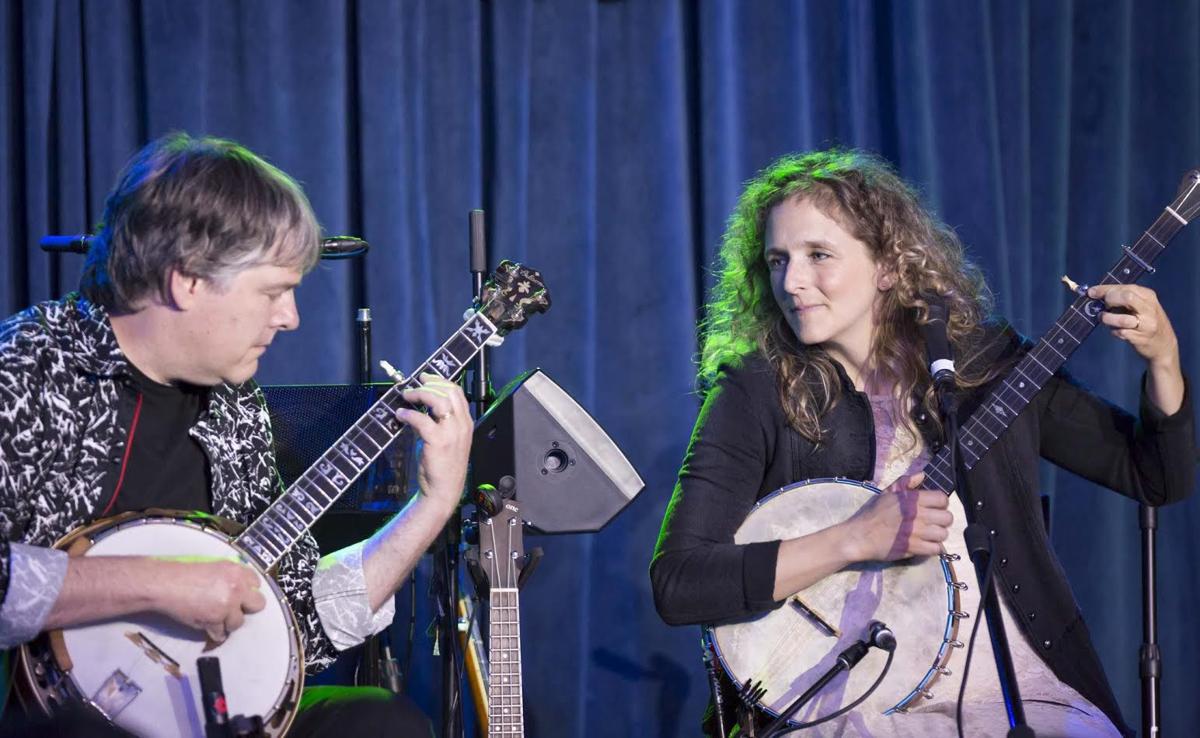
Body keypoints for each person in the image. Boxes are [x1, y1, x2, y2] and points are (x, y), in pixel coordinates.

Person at [650, 149, 1195, 737]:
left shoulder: (987, 366)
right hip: (838, 697)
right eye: (777, 260)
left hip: (1014, 685)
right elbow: (680, 583)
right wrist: (856, 537)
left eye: (818, 255)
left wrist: (1164, 359)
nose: (792, 282)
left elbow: (1155, 477)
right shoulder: (754, 391)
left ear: (888, 264)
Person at [0, 133, 471, 736]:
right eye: (274, 291)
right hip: (46, 718)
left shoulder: (232, 401)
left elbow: (303, 616)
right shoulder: (28, 370)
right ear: (187, 280)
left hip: (207, 712)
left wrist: (431, 505)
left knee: (382, 723)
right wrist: (161, 585)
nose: (291, 317)